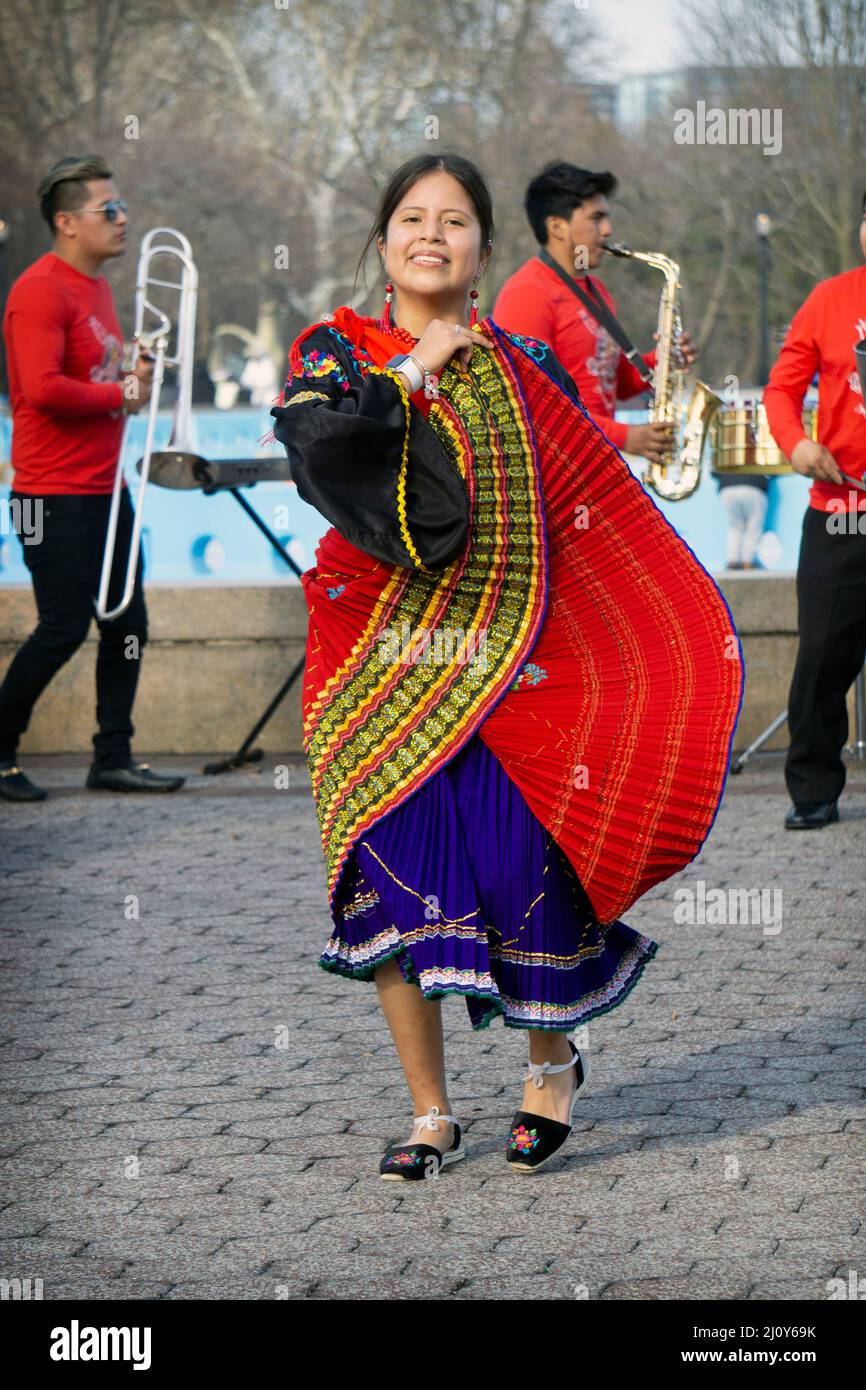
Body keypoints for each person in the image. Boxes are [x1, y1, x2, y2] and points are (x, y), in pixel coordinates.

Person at [268, 153, 742, 1181]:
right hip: (371, 652)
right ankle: (430, 1110)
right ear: (383, 239)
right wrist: (419, 362)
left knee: (516, 860)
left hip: (505, 659)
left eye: (453, 221)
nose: (430, 233)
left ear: (484, 247)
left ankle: (547, 1059)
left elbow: (586, 499)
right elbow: (315, 448)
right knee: (384, 870)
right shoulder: (334, 352)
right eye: (410, 217)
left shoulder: (524, 358)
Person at [0, 154, 184, 802]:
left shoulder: (99, 289)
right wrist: (120, 395)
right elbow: (42, 390)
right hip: (49, 494)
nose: (123, 218)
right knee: (62, 627)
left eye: (122, 205)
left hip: (106, 488)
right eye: (109, 210)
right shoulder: (39, 290)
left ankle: (113, 756)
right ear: (67, 222)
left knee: (127, 623)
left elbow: (105, 382)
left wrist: (134, 373)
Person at [764, 189, 866, 831]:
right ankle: (813, 788)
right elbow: (781, 389)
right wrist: (797, 443)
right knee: (824, 652)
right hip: (840, 509)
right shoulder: (829, 298)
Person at [492, 161, 697, 467]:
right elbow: (534, 407)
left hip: (593, 465)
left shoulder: (596, 290)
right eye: (596, 218)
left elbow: (611, 380)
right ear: (557, 227)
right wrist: (625, 436)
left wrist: (663, 360)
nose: (608, 230)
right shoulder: (527, 293)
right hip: (554, 476)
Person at [714, 469, 769, 570]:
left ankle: (732, 561)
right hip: (753, 484)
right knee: (754, 526)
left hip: (727, 487)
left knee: (735, 527)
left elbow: (714, 472)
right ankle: (747, 561)